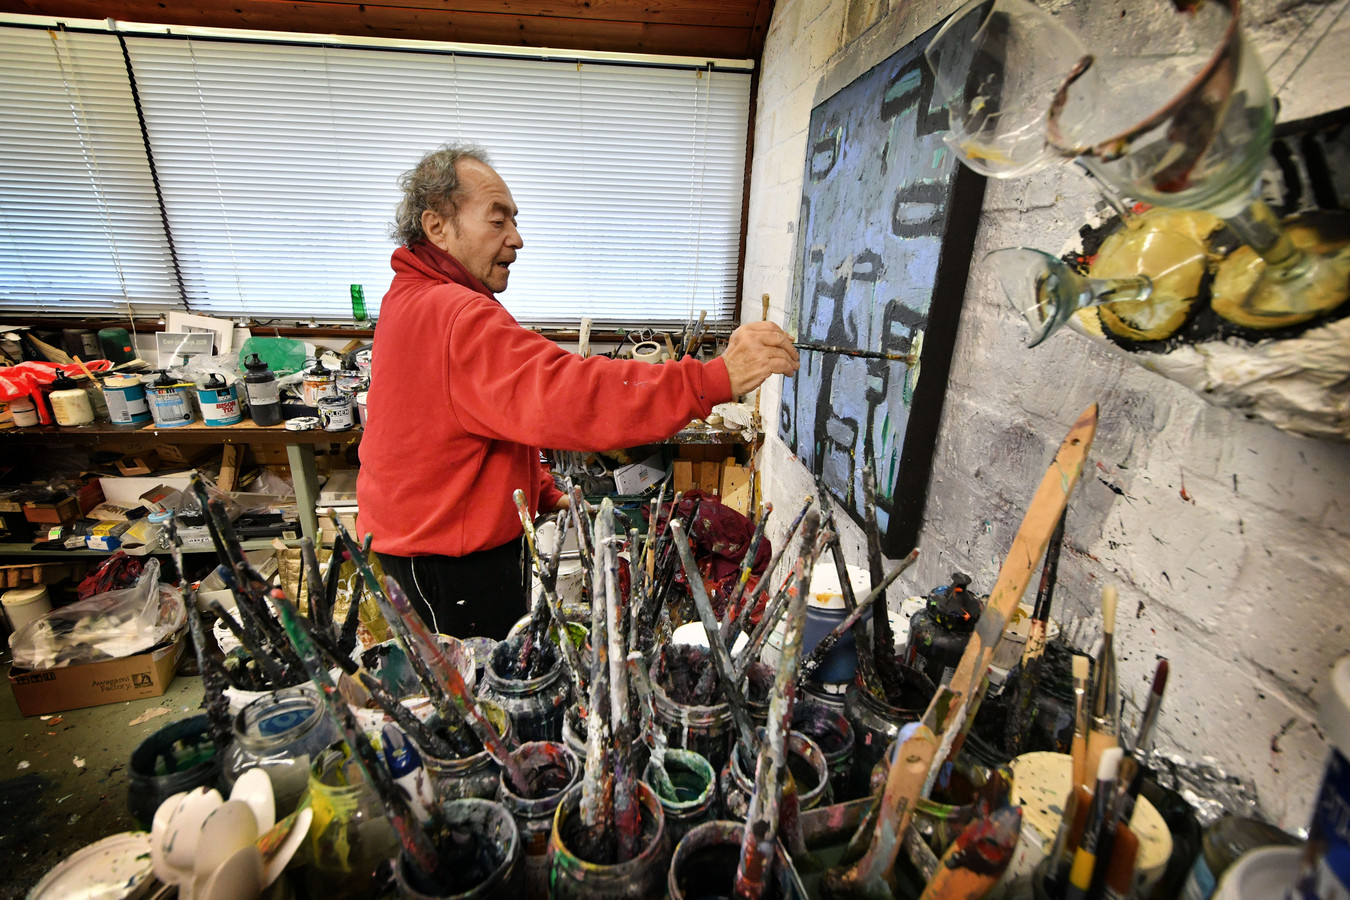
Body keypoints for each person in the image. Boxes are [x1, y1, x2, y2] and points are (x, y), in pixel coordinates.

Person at [357, 142, 799, 640]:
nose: (517, 239)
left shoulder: (414, 295)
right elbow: (570, 395)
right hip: (446, 566)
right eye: (497, 221)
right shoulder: (454, 315)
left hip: (427, 549)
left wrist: (544, 494)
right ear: (437, 226)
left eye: (515, 221)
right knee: (473, 702)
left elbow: (483, 420)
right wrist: (714, 377)